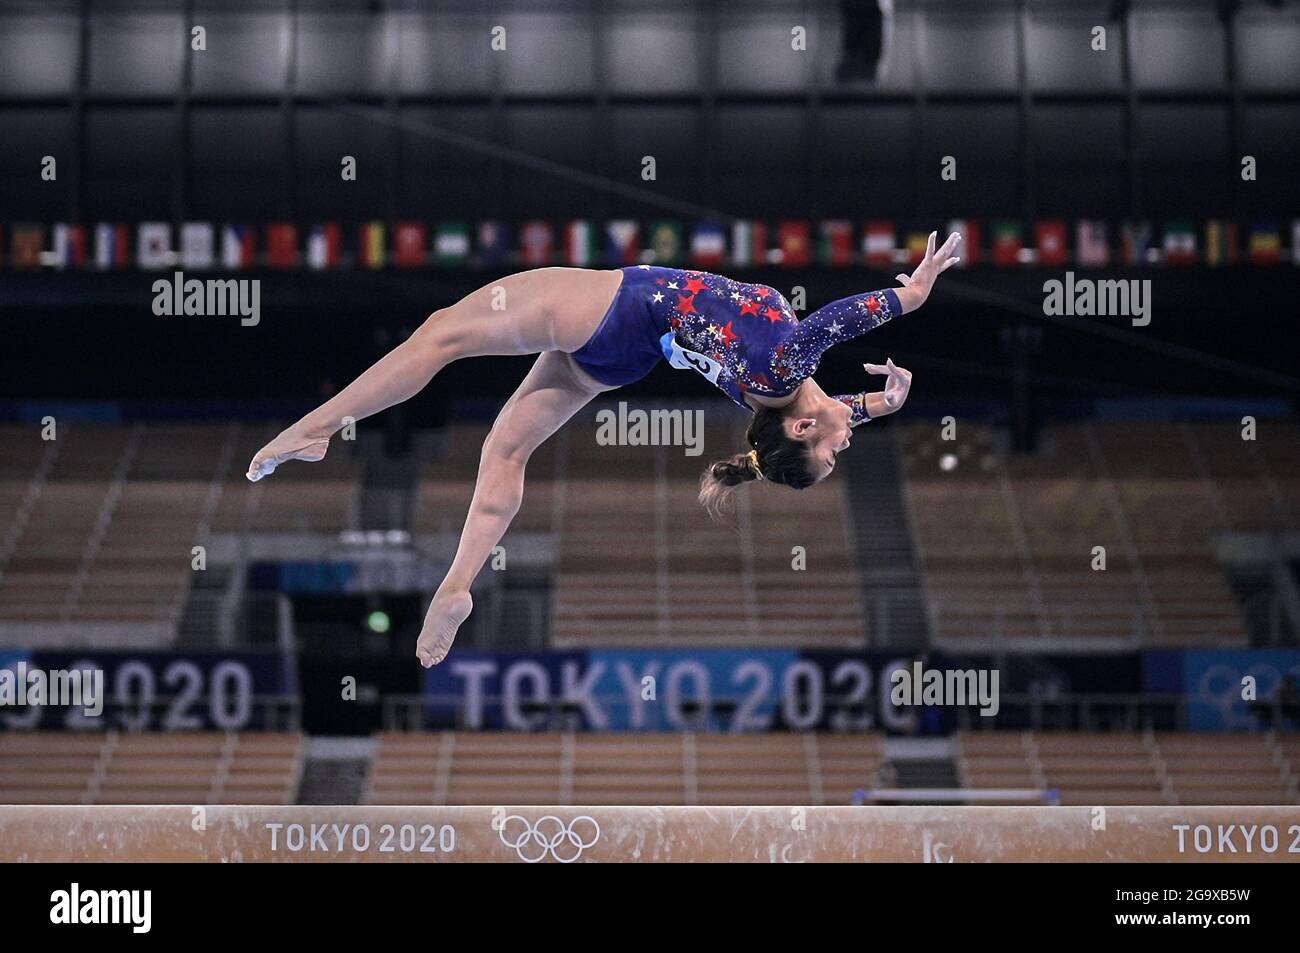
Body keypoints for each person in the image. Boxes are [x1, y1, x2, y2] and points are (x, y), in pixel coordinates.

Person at [247, 231, 961, 666]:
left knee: (442, 333)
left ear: (802, 429)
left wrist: (911, 298)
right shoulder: (770, 398)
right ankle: (457, 582)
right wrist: (881, 405)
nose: (845, 442)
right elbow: (827, 413)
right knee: (506, 450)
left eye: (835, 452)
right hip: (623, 357)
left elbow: (831, 324)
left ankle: (318, 426)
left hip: (616, 306)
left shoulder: (778, 372)